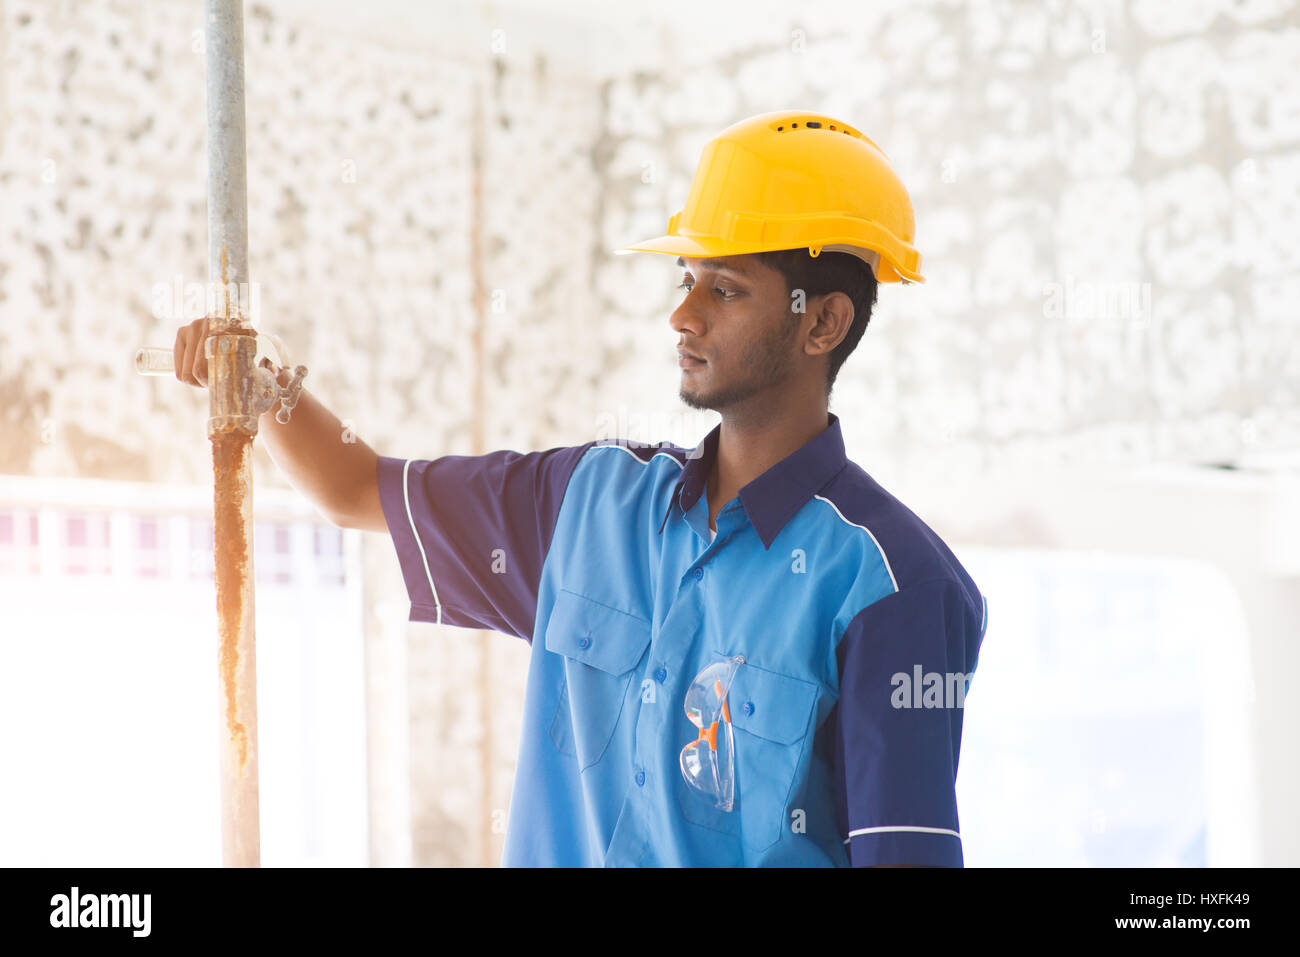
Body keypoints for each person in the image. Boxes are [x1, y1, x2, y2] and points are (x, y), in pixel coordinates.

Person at [173, 110, 987, 867]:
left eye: (726, 288)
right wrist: (260, 377)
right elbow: (355, 487)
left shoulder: (895, 586)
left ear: (823, 324)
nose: (684, 316)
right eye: (687, 280)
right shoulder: (589, 502)